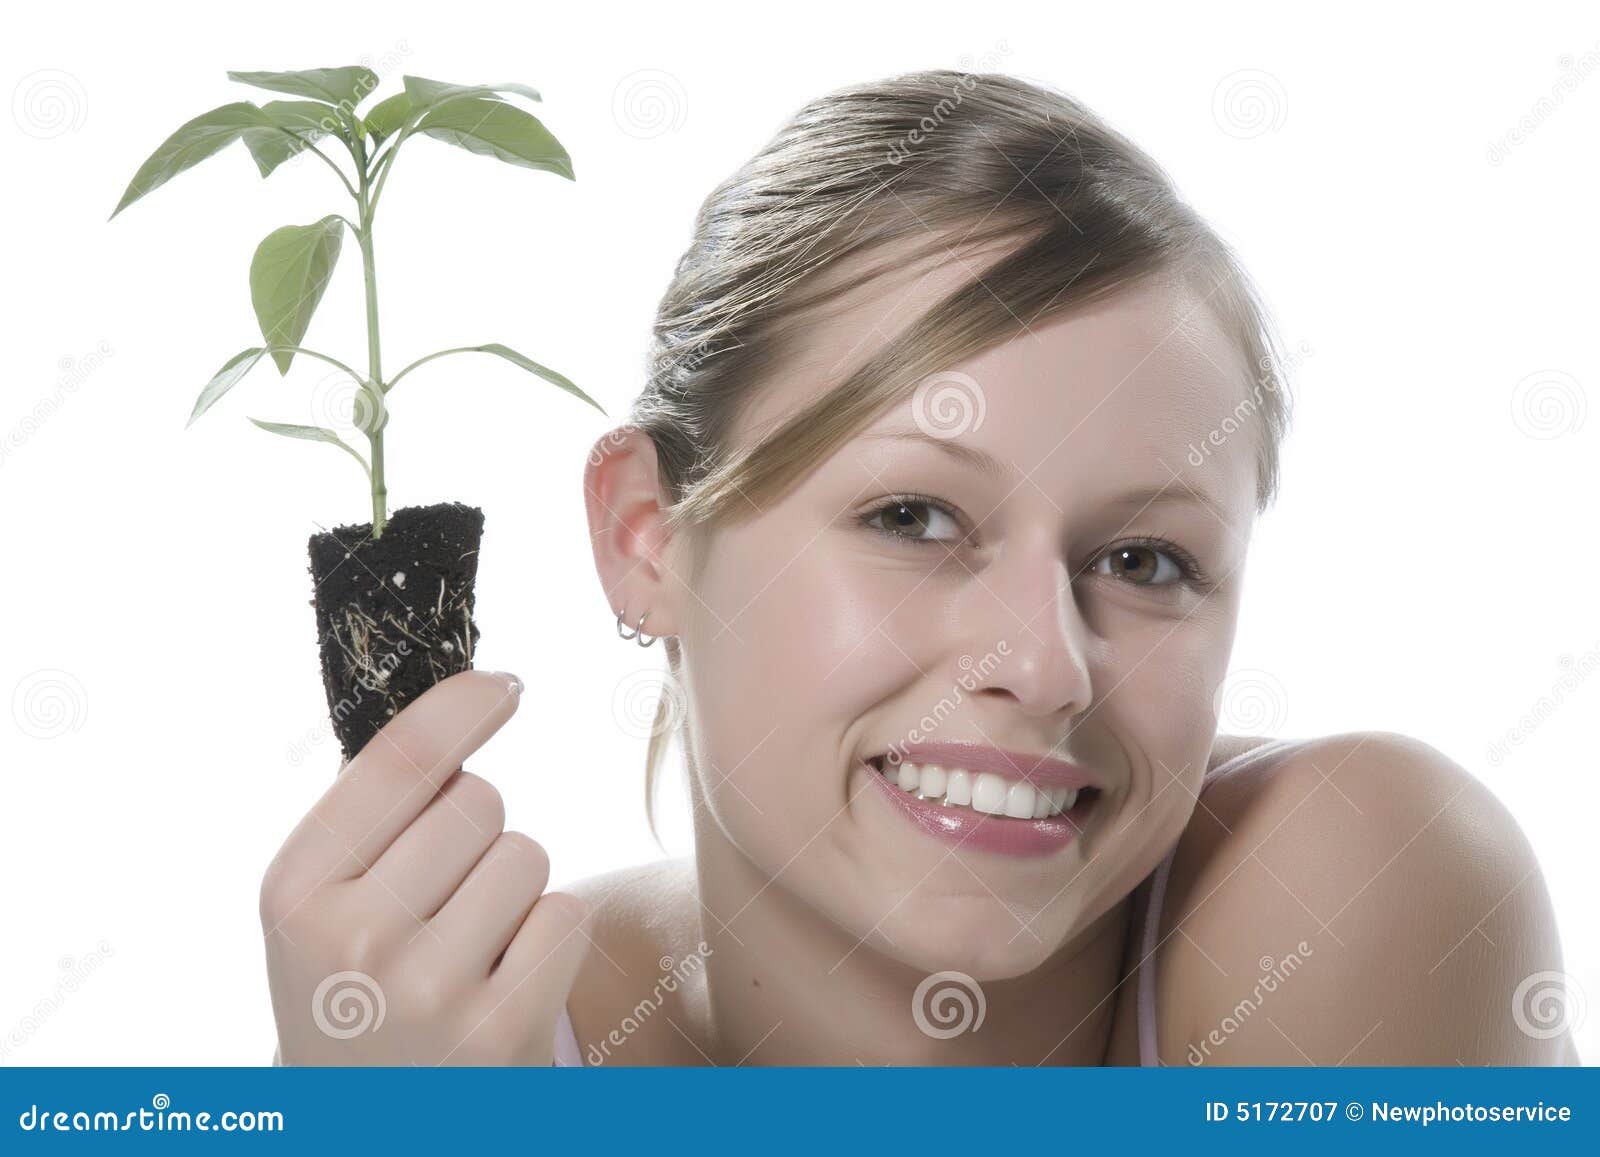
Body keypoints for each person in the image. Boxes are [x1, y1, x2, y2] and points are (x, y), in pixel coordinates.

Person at [260, 70, 1576, 1066]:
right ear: (646, 539)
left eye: (1143, 557)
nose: (1045, 664)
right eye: (915, 518)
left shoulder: (1358, 881)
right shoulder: (454, 1044)